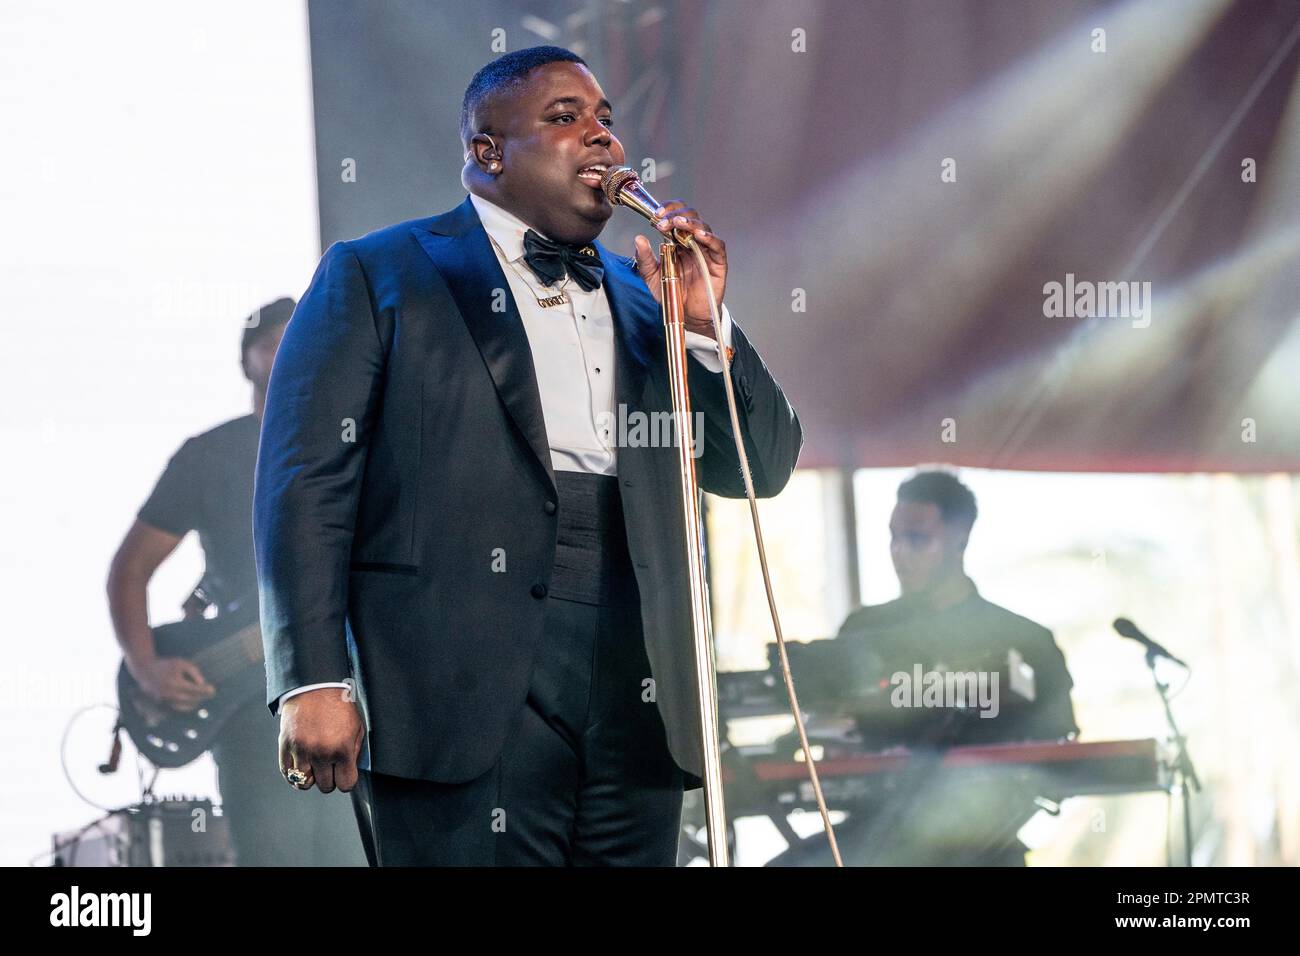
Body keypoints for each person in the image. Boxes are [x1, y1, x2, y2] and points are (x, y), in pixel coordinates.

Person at [254, 46, 803, 866]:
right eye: (565, 117)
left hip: (640, 684)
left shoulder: (646, 293)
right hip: (454, 686)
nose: (603, 137)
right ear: (489, 151)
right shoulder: (378, 273)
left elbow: (762, 466)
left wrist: (702, 327)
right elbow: (305, 485)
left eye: (607, 120)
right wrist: (312, 676)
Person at [107, 298, 366, 866]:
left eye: (295, 337)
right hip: (249, 709)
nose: (283, 350)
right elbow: (129, 569)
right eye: (268, 343)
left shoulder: (357, 443)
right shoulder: (208, 455)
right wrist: (147, 668)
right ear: (245, 361)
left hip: (351, 696)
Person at [775, 470, 1078, 866]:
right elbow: (827, 731)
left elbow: (1061, 744)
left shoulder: (1025, 641)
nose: (899, 552)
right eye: (893, 537)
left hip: (985, 841)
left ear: (960, 539)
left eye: (917, 539)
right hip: (877, 836)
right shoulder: (863, 630)